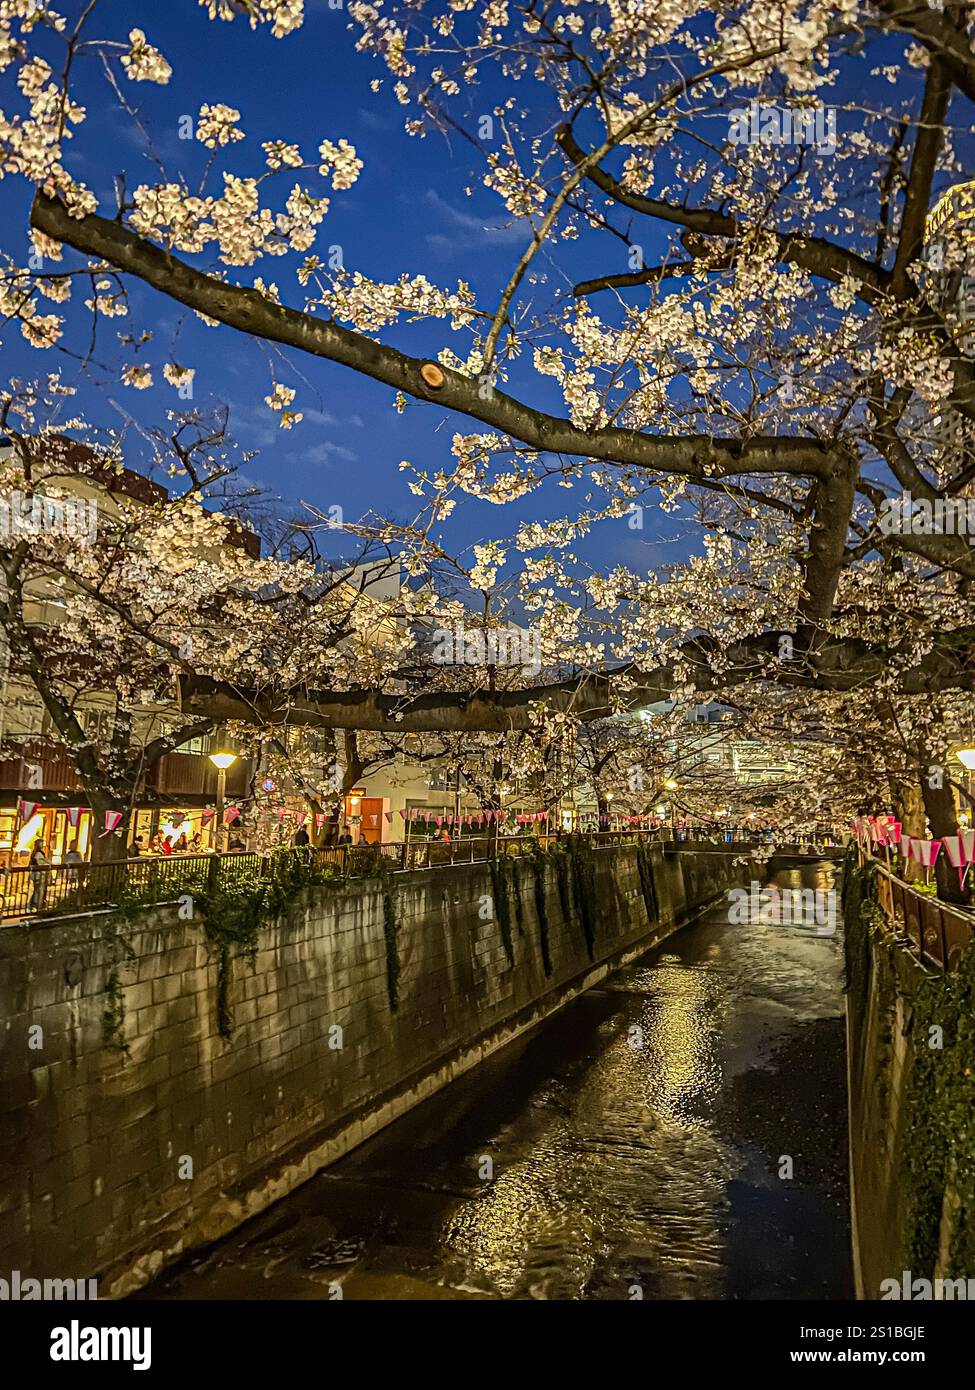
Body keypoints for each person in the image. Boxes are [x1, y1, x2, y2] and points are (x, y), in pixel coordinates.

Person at [28, 839, 49, 911]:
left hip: (36, 874)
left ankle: (33, 904)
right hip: (38, 874)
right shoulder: (38, 853)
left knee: (37, 889)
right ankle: (35, 905)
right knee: (38, 890)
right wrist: (47, 864)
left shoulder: (35, 852)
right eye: (42, 843)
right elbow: (41, 863)